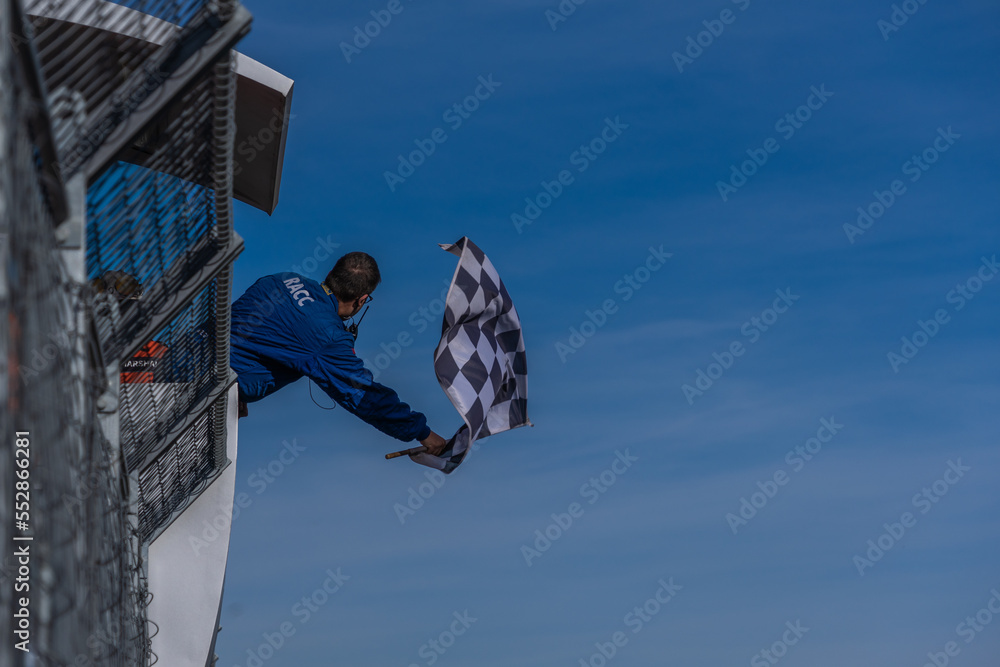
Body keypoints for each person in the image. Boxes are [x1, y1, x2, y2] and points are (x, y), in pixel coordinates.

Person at [229, 251, 448, 456]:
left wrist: (243, 380)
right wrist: (422, 433)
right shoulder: (328, 336)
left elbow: (244, 333)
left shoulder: (282, 278)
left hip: (201, 355)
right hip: (208, 391)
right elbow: (362, 394)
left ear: (330, 274)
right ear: (362, 300)